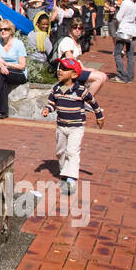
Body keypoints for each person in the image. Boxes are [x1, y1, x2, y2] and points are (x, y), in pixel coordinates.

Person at [42, 56, 104, 195]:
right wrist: (47, 109)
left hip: (77, 127)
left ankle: (71, 178)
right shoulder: (56, 89)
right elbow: (52, 103)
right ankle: (65, 172)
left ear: (74, 74)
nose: (60, 71)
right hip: (61, 126)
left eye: (64, 69)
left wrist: (100, 116)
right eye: (60, 68)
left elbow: (93, 102)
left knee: (72, 151)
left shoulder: (81, 90)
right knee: (60, 152)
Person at [51, 18, 107, 98]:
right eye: (75, 27)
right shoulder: (67, 41)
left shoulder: (77, 42)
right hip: (67, 71)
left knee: (103, 76)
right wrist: (83, 70)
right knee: (98, 78)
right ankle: (87, 101)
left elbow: (78, 60)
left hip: (75, 70)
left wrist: (86, 69)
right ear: (70, 28)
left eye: (80, 28)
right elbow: (70, 61)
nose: (77, 30)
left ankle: (86, 98)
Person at [112, 0, 136, 83]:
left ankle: (121, 75)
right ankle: (130, 76)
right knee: (130, 55)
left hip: (124, 29)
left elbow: (119, 17)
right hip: (133, 31)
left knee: (117, 53)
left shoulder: (125, 2)